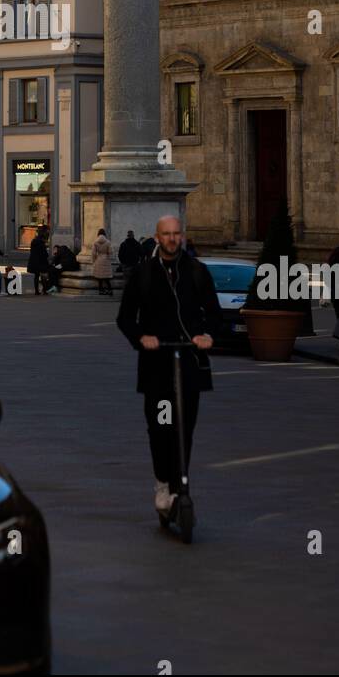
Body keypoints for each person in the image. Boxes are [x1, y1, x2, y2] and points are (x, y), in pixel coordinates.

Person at [117, 216, 222, 520]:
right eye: (167, 234)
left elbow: (214, 314)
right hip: (157, 368)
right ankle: (163, 482)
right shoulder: (144, 274)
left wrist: (207, 335)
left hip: (190, 365)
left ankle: (179, 486)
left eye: (177, 234)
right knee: (162, 426)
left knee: (185, 429)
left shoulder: (198, 272)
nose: (173, 239)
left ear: (182, 236)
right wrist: (141, 338)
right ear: (157, 237)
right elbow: (125, 318)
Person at [91, 228, 114, 296]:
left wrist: (94, 261)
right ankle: (110, 290)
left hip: (99, 260)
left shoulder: (95, 242)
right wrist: (109, 258)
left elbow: (93, 253)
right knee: (107, 277)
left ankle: (101, 290)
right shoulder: (108, 242)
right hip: (106, 260)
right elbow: (110, 252)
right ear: (104, 234)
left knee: (100, 277)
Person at [27, 229, 50, 296]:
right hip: (41, 262)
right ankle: (44, 290)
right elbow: (44, 253)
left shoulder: (33, 241)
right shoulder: (41, 243)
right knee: (43, 276)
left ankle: (36, 291)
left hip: (34, 261)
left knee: (36, 276)